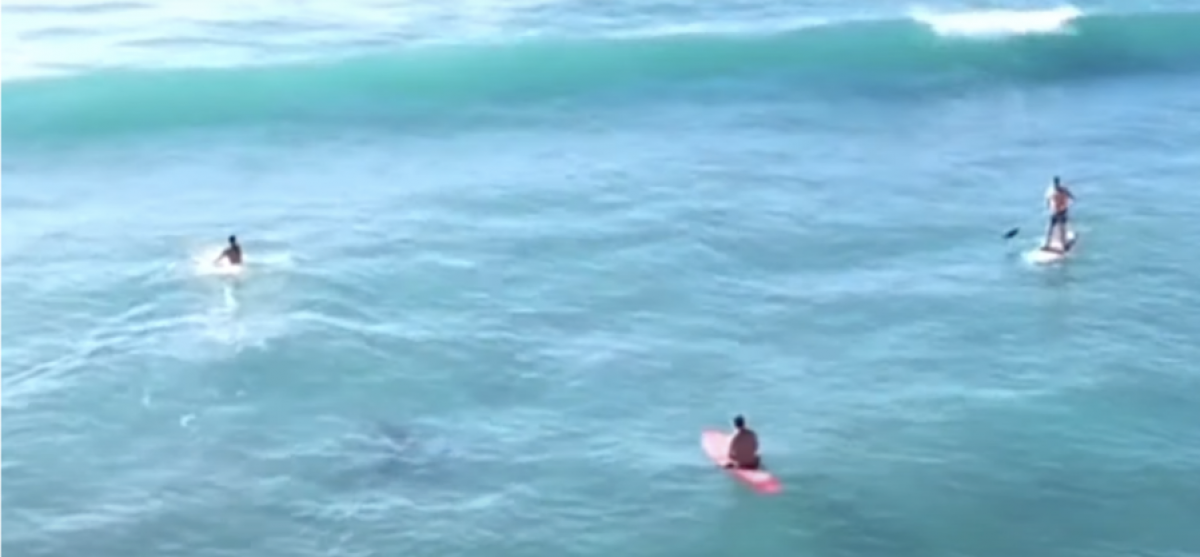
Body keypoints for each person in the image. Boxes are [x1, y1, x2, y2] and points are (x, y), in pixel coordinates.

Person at [1042, 176, 1076, 252]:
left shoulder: (1062, 190)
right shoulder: (1052, 191)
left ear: (1058, 182)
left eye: (1057, 183)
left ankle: (1063, 244)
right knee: (1051, 228)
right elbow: (1048, 199)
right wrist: (1049, 206)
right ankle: (1047, 244)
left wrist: (1070, 201)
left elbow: (1071, 196)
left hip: (1062, 211)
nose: (1056, 185)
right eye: (1055, 183)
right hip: (1055, 211)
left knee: (1061, 227)